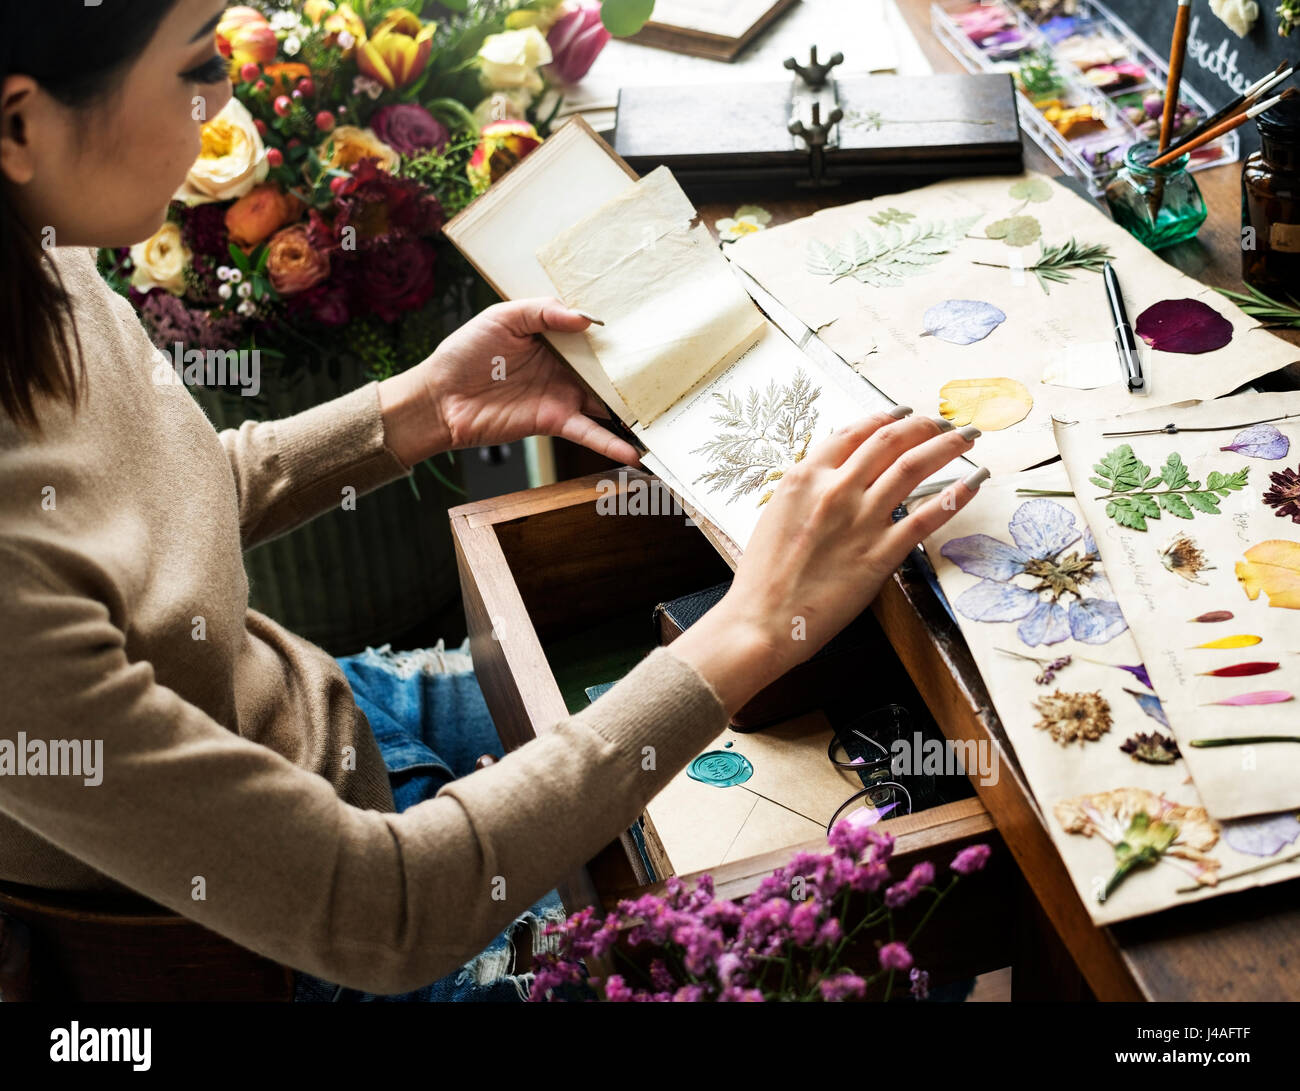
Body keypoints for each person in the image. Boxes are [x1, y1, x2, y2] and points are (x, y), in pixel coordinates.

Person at [0, 0, 987, 1000]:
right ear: (21, 127)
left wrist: (416, 407)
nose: (223, 99)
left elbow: (158, 501)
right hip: (322, 939)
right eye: (195, 66)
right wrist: (756, 623)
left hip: (330, 715)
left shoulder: (41, 251)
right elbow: (386, 910)